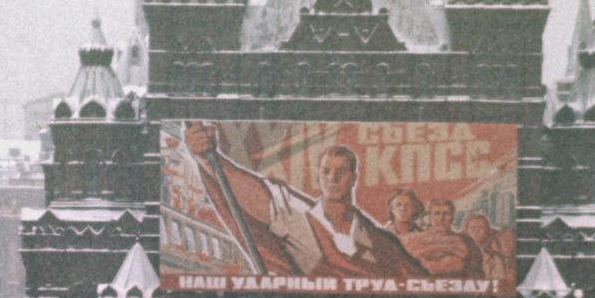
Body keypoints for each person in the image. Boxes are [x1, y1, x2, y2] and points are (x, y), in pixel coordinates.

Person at [180, 121, 428, 281]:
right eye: (326, 172)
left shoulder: (380, 242)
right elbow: (258, 194)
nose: (333, 179)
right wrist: (207, 158)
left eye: (341, 172)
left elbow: (416, 280)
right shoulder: (297, 218)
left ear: (353, 178)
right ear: (318, 176)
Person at [402, 197, 485, 278]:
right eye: (437, 213)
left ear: (452, 217)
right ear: (429, 217)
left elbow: (477, 273)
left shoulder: (466, 241)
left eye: (446, 214)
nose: (441, 218)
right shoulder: (412, 240)